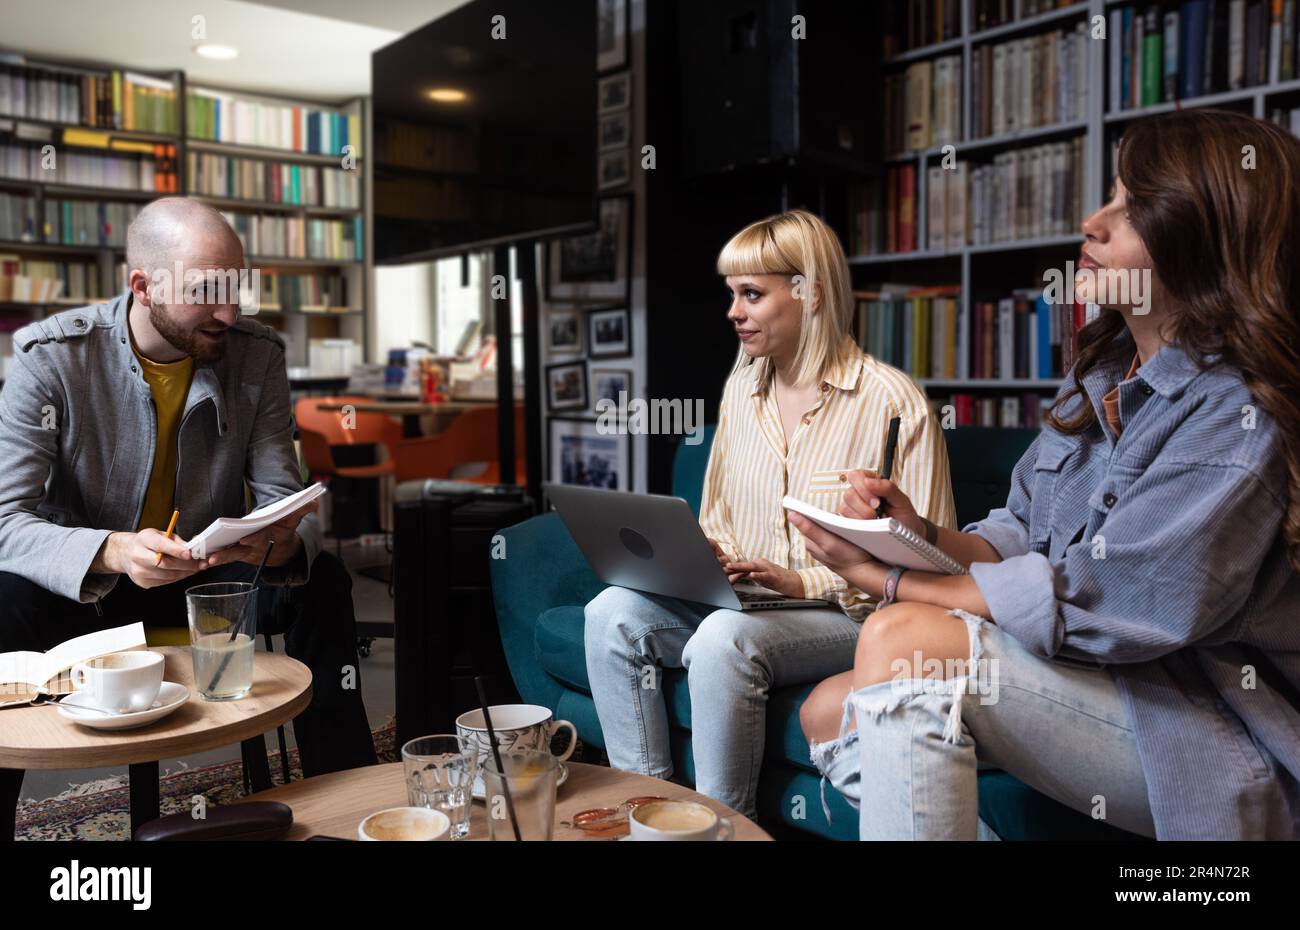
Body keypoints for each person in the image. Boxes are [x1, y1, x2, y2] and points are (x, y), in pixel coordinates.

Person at [797, 109, 1300, 840]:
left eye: (1129, 210)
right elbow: (1019, 537)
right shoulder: (1098, 375)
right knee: (822, 710)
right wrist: (918, 531)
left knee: (904, 638)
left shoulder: (1240, 410)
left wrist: (889, 582)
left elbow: (1108, 603)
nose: (1092, 223)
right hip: (1101, 680)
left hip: (1207, 724)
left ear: (1208, 236)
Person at [0, 197, 376, 839]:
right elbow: (8, 522)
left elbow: (288, 501)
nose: (229, 312)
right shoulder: (51, 359)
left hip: (213, 587)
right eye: (207, 291)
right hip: (92, 594)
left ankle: (345, 804)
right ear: (142, 287)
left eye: (237, 288)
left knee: (326, 579)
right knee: (4, 598)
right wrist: (116, 551)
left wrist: (278, 547)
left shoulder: (256, 356)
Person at [583, 209, 957, 818]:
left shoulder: (893, 401)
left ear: (810, 293)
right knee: (609, 614)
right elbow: (719, 514)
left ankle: (722, 827)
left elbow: (928, 567)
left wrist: (800, 580)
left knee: (724, 642)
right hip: (747, 599)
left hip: (849, 613)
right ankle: (647, 812)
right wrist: (707, 558)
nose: (734, 311)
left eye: (752, 294)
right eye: (731, 294)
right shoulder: (742, 387)